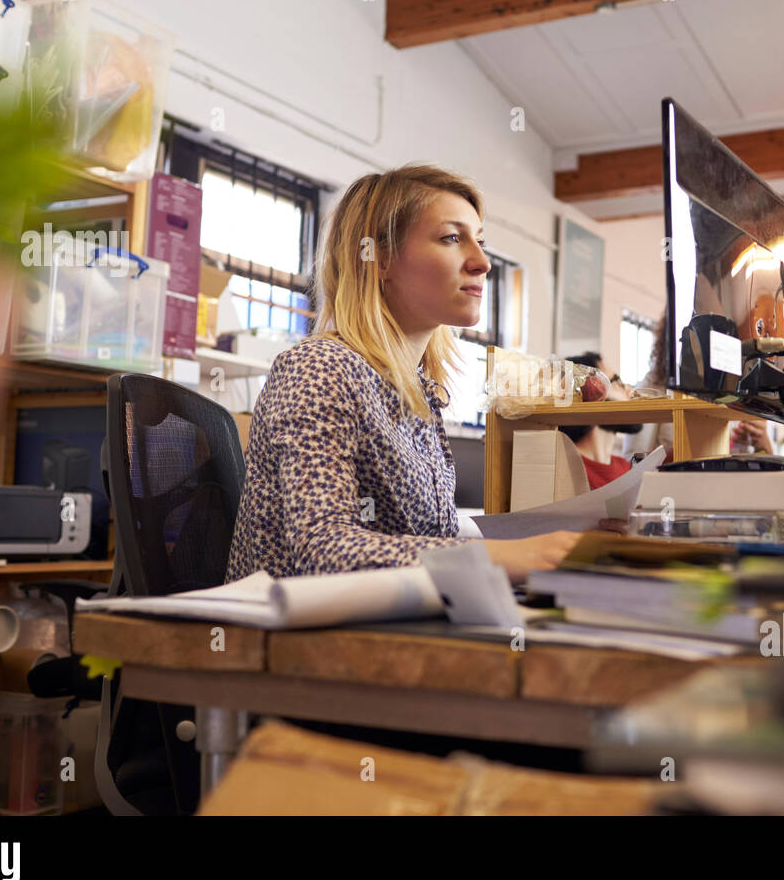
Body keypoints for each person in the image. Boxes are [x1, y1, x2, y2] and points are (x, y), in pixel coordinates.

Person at [225, 165, 578, 585]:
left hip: (385, 620)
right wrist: (505, 556)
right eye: (452, 238)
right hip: (295, 639)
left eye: (479, 241)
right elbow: (324, 549)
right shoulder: (319, 368)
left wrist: (548, 535)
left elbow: (434, 534)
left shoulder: (415, 389)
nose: (482, 263)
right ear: (379, 259)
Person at [624, 312, 773, 461]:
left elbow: (753, 468)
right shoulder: (652, 386)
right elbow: (633, 461)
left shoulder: (736, 392)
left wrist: (764, 446)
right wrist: (692, 449)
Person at [557, 352, 641, 488]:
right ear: (588, 394)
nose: (630, 390)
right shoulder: (564, 471)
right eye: (616, 382)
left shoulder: (627, 470)